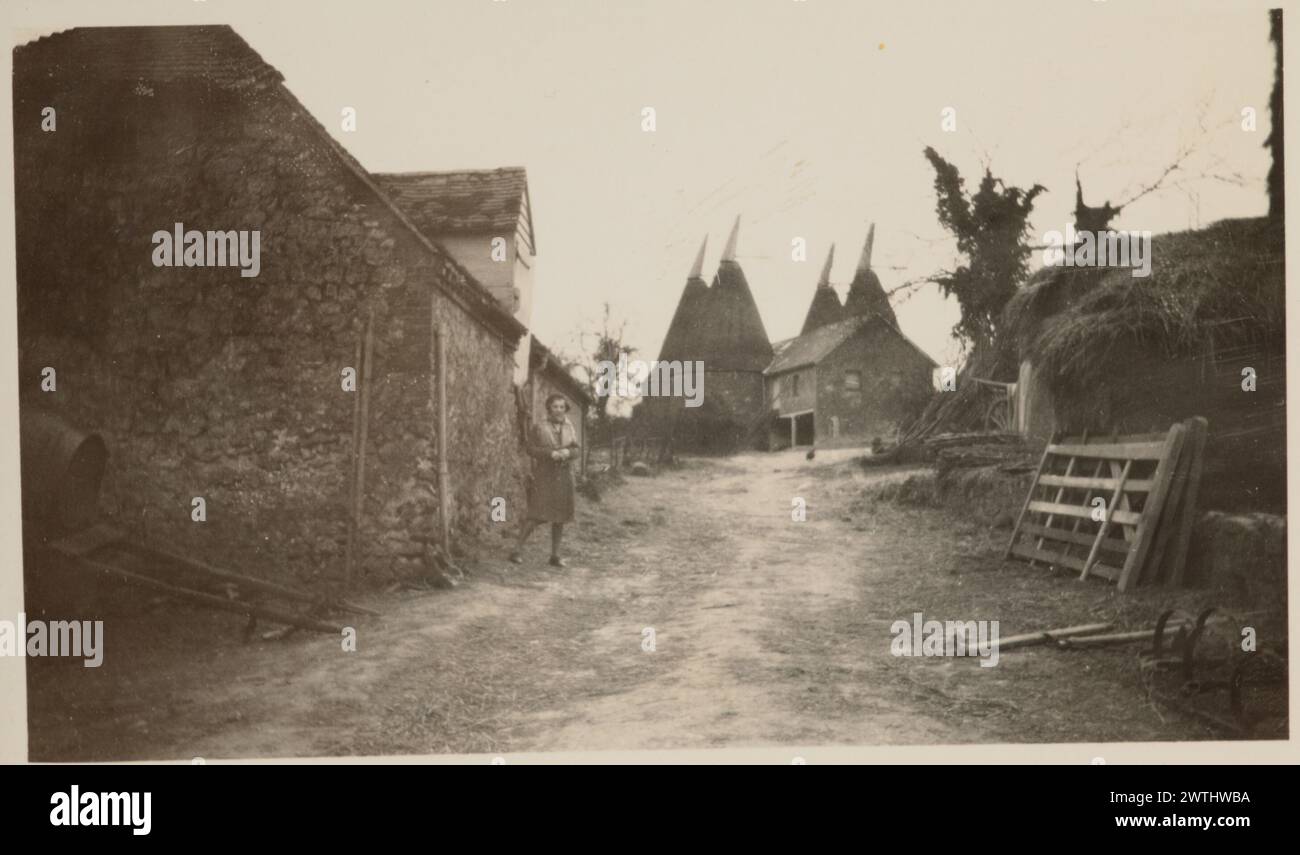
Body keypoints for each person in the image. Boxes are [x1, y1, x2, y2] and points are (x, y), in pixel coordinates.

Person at [510, 393, 581, 568]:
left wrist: (568, 453)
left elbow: (576, 449)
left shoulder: (569, 427)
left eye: (562, 407)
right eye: (555, 406)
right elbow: (530, 449)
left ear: (565, 409)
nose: (558, 410)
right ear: (549, 408)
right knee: (536, 515)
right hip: (545, 476)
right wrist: (550, 453)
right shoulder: (539, 427)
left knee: (560, 517)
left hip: (564, 476)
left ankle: (555, 556)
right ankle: (516, 550)